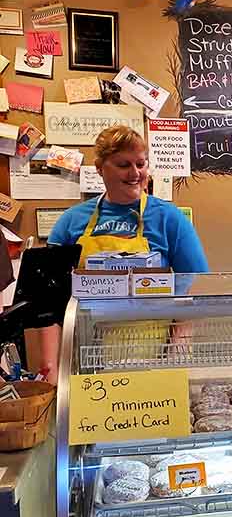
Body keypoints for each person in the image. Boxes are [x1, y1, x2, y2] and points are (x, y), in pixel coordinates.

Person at [42, 124, 208, 379]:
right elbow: (49, 301)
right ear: (100, 168)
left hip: (154, 359)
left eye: (141, 164)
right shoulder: (71, 221)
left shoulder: (169, 219)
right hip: (86, 359)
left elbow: (195, 288)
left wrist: (177, 357)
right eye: (123, 165)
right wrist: (52, 371)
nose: (135, 173)